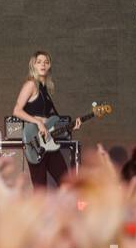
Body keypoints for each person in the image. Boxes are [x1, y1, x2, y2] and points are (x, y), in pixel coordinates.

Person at [13, 51, 84, 188]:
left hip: (49, 141)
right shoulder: (31, 85)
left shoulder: (45, 89)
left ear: (49, 65)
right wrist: (38, 122)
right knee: (40, 191)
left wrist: (72, 126)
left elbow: (53, 121)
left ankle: (65, 209)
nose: (43, 65)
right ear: (33, 65)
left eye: (46, 62)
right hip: (35, 143)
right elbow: (16, 110)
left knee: (67, 183)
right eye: (39, 62)